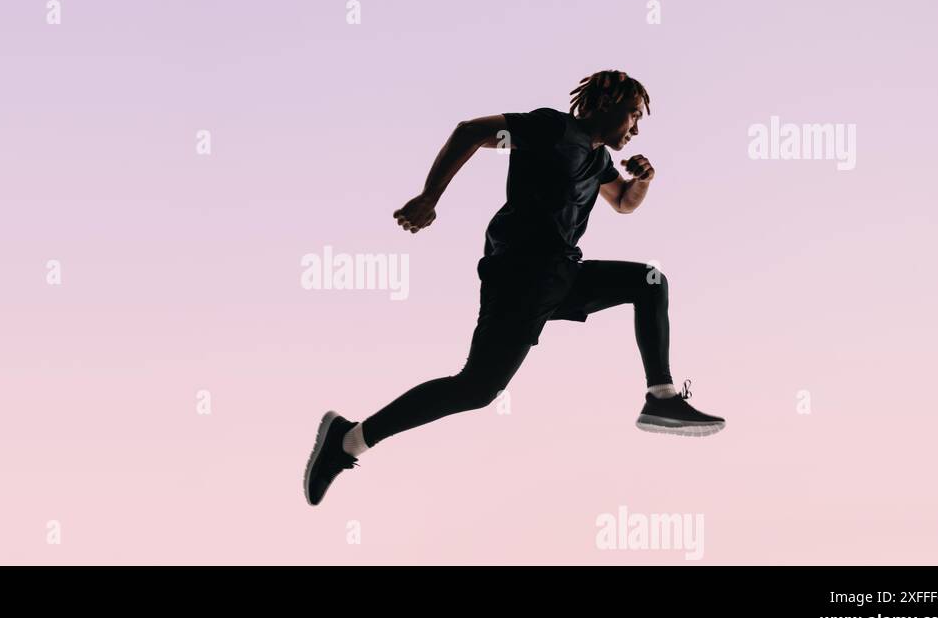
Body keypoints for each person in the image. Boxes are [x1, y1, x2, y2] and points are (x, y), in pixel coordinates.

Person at [304, 70, 725, 507]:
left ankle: (662, 398)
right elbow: (472, 132)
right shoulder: (550, 130)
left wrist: (643, 181)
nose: (635, 128)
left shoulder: (597, 160)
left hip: (560, 275)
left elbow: (622, 203)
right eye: (633, 115)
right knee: (477, 388)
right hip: (520, 274)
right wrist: (430, 197)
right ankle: (348, 440)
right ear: (605, 104)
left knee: (648, 281)